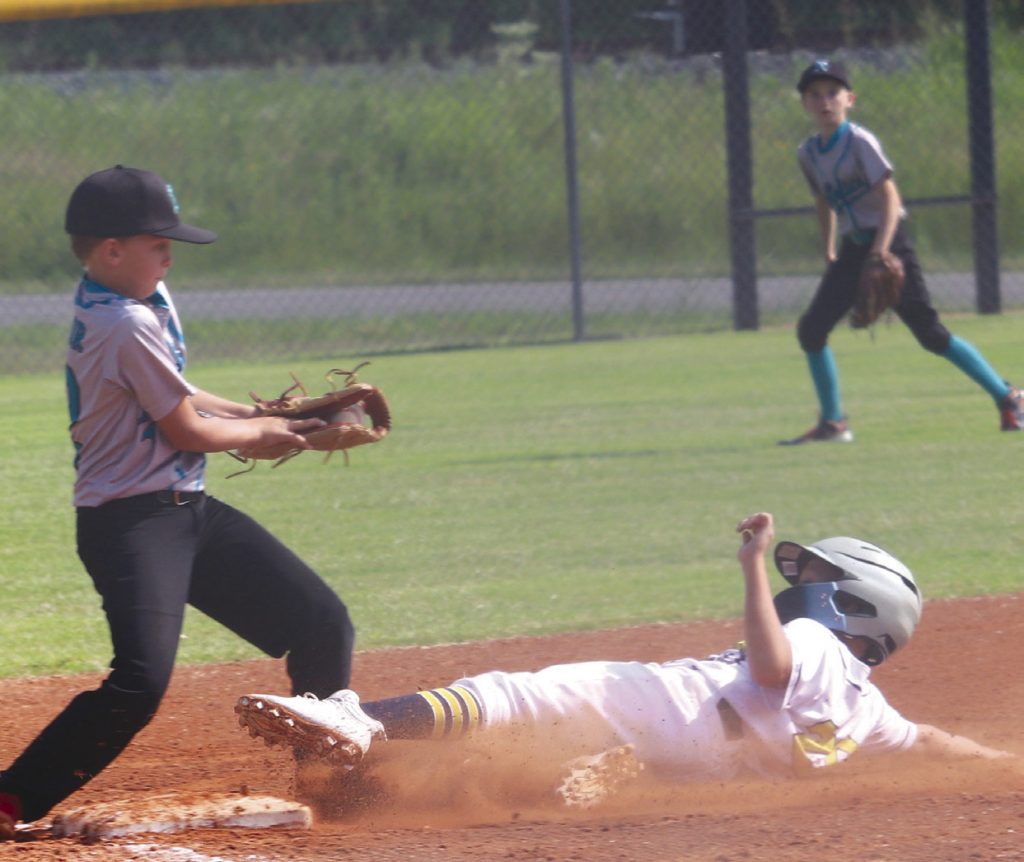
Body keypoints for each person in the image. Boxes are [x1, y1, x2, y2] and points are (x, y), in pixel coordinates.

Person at [0, 165, 356, 838]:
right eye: (156, 242)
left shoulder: (140, 296)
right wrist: (269, 435)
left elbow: (179, 390)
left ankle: (331, 780)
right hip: (129, 523)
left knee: (320, 622)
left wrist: (258, 411)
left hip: (185, 509)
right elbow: (186, 429)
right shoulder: (121, 322)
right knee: (139, 683)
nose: (170, 254)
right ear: (111, 250)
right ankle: (11, 797)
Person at [234, 512, 1017, 810]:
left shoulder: (814, 644)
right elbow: (938, 747)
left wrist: (749, 565)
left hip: (665, 704)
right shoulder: (870, 713)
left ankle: (355, 721)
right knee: (542, 749)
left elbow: (773, 669)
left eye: (813, 579)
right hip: (699, 764)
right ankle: (586, 776)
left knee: (512, 695)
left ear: (855, 604)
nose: (797, 587)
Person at [780, 59, 1023, 445]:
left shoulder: (859, 142)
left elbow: (890, 198)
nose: (824, 101)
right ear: (805, 104)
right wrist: (829, 249)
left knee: (930, 334)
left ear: (849, 100)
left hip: (890, 243)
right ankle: (833, 423)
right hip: (854, 247)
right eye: (814, 95)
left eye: (832, 93)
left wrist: (880, 253)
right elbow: (822, 199)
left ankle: (1009, 396)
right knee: (812, 330)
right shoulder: (808, 152)